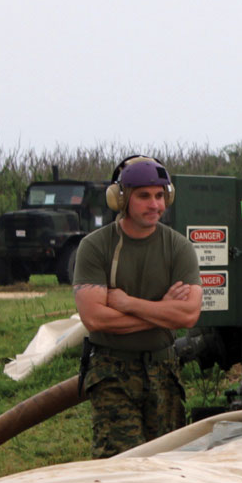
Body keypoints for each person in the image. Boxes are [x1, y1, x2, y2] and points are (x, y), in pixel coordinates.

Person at [72, 156, 202, 457]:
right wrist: (163, 312)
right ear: (121, 199)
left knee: (167, 465)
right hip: (112, 372)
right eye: (144, 196)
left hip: (164, 372)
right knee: (119, 465)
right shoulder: (95, 246)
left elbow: (189, 314)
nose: (154, 204)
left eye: (160, 196)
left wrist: (128, 303)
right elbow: (96, 319)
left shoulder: (178, 247)